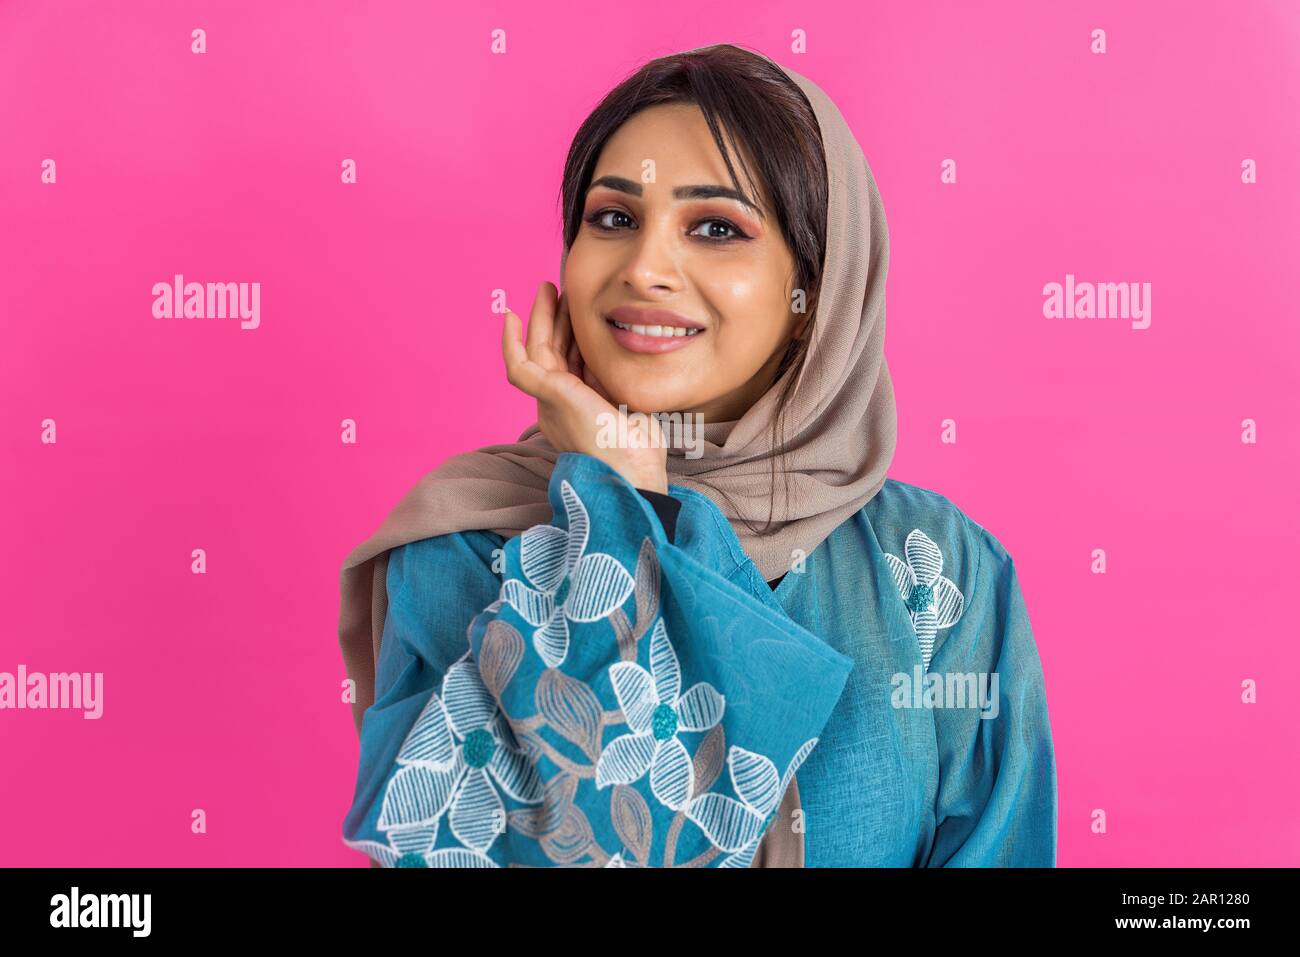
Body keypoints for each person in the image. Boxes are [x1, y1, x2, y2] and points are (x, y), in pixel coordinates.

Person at [337, 43, 1057, 867]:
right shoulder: (469, 544)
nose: (646, 268)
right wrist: (622, 503)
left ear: (810, 297)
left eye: (716, 227)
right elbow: (526, 850)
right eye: (614, 218)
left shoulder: (935, 568)